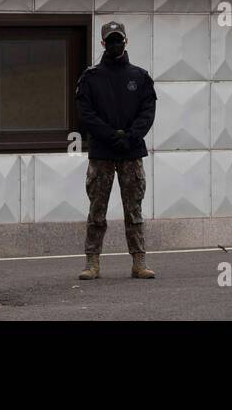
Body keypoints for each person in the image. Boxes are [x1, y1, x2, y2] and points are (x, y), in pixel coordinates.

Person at [74, 20, 157, 280]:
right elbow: (85, 114)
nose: (114, 44)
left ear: (126, 41)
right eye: (110, 40)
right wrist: (110, 136)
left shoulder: (140, 77)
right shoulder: (90, 78)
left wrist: (130, 137)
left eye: (118, 39)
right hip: (102, 154)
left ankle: (139, 262)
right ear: (102, 43)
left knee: (134, 210)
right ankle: (92, 262)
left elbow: (147, 112)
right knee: (97, 210)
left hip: (131, 153)